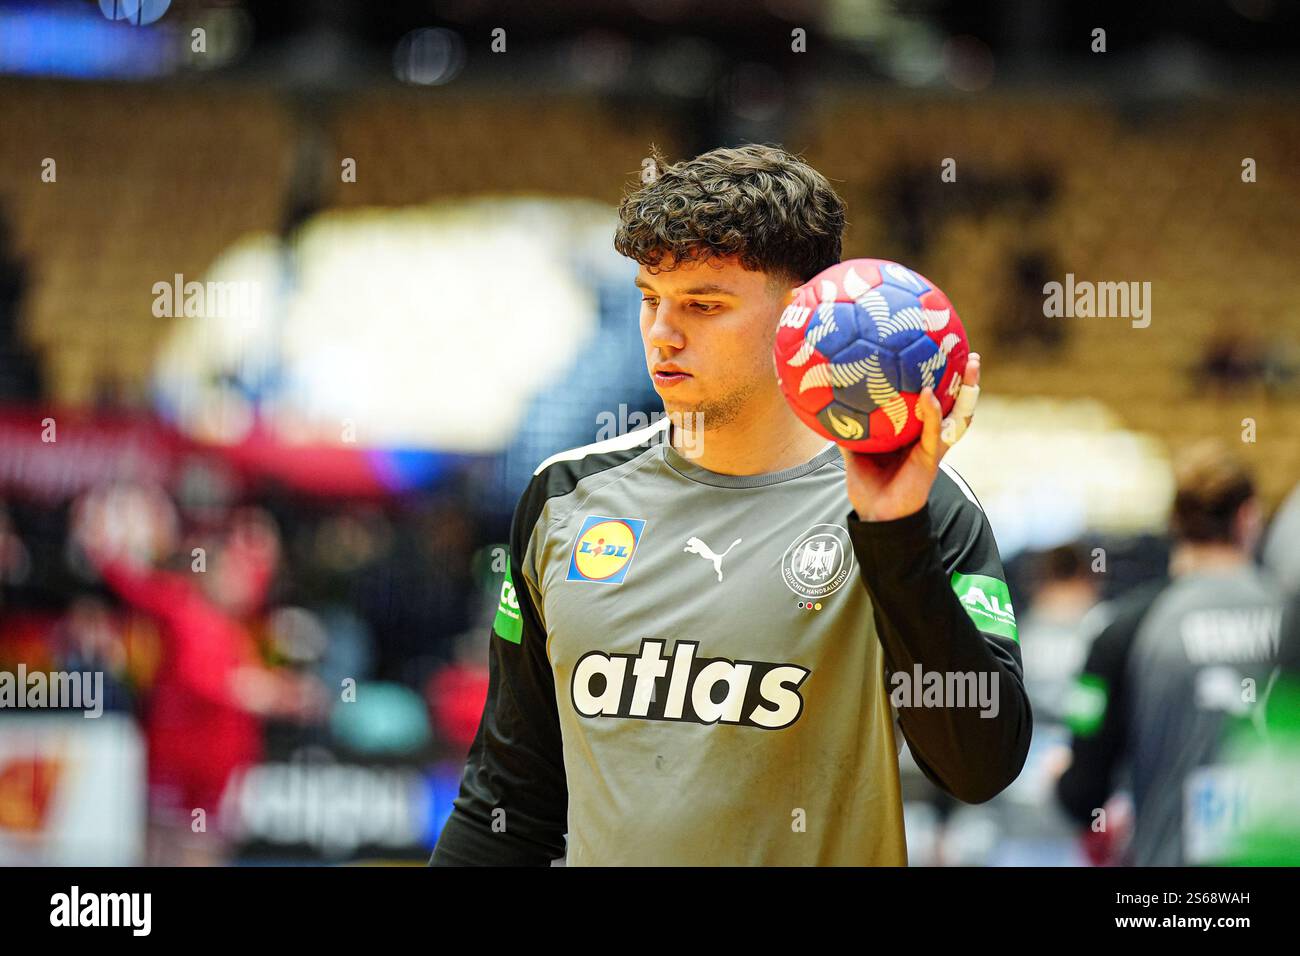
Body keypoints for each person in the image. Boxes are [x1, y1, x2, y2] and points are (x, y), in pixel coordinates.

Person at [432, 144, 1031, 866]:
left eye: (703, 305)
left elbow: (979, 769)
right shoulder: (565, 496)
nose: (662, 333)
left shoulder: (921, 506)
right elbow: (508, 799)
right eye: (650, 297)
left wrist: (894, 536)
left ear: (803, 313)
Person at [1055, 440, 1286, 865]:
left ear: (1174, 523)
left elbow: (1082, 794)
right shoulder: (1289, 617)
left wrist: (1065, 775)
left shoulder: (1123, 631)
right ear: (1248, 518)